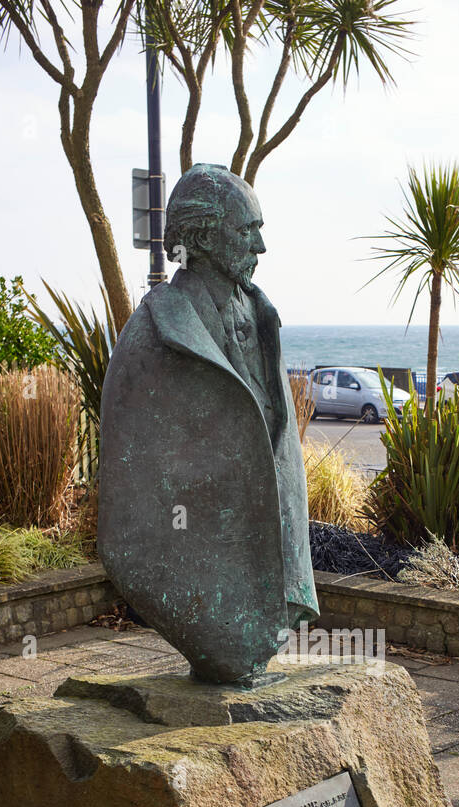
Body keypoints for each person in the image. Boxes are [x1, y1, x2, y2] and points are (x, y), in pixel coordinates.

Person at [98, 164, 318, 685]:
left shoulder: (262, 314)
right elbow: (134, 482)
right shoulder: (154, 334)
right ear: (200, 234)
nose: (260, 246)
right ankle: (226, 649)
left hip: (269, 535)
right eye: (246, 230)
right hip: (206, 541)